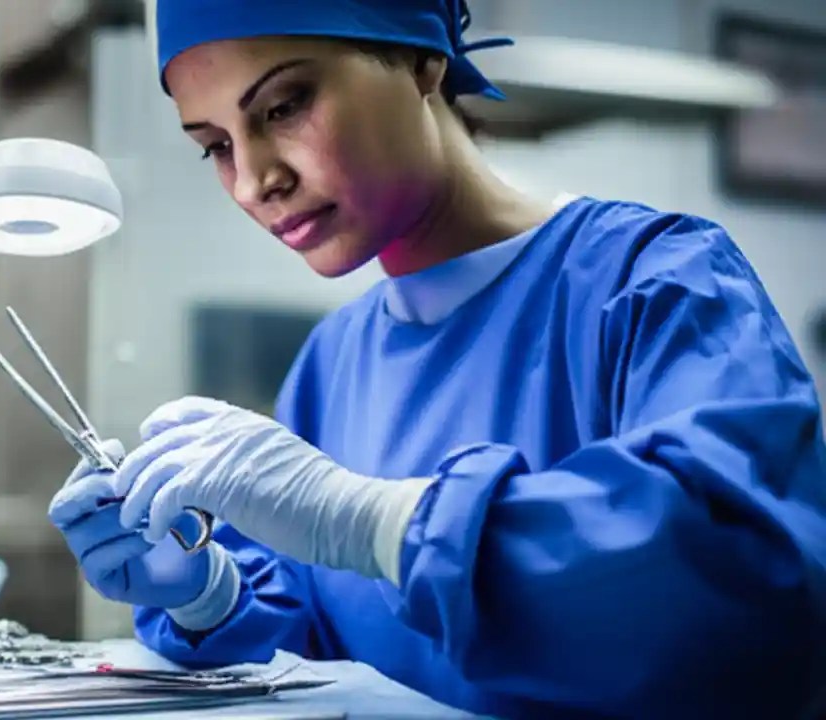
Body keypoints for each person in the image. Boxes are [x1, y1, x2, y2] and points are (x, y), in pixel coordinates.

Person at [47, 1, 826, 717]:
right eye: (215, 146)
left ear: (424, 58)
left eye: (284, 106)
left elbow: (735, 574)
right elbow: (325, 646)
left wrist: (367, 518)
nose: (255, 182)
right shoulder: (334, 360)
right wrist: (207, 592)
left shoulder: (656, 282)